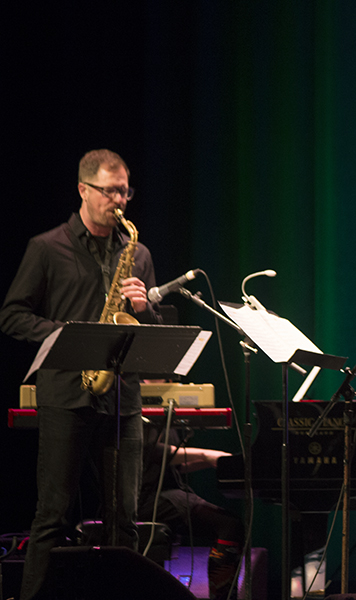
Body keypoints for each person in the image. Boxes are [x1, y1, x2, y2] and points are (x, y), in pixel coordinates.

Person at [0, 149, 162, 599]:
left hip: (121, 400)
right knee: (52, 515)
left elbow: (154, 329)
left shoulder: (138, 252)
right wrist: (67, 336)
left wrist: (145, 309)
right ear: (83, 190)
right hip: (66, 395)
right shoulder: (47, 247)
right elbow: (12, 315)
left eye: (125, 191)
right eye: (111, 191)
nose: (121, 201)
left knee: (124, 520)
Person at [140, 423, 244, 600]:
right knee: (228, 525)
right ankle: (222, 596)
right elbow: (151, 451)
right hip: (146, 497)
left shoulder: (167, 420)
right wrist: (206, 454)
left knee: (231, 525)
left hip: (164, 494)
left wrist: (209, 461)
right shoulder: (142, 415)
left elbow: (175, 465)